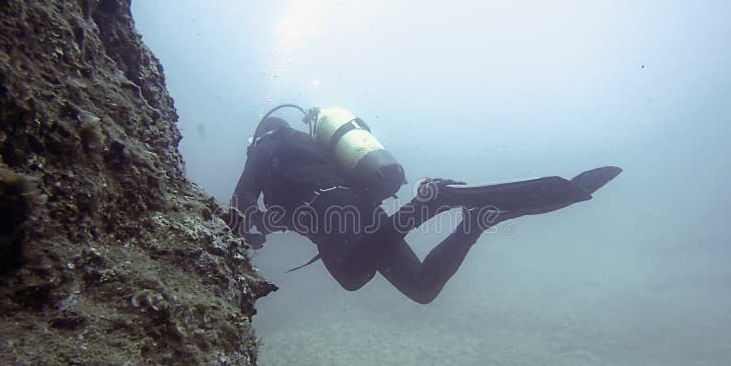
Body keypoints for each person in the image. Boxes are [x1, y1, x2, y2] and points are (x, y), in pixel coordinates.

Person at [232, 111, 621, 304]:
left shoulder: (267, 144)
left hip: (330, 210)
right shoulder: (316, 148)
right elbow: (286, 212)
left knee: (352, 276)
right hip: (363, 211)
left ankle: (429, 205)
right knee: (422, 289)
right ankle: (474, 223)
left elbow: (242, 198)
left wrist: (240, 226)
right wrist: (263, 226)